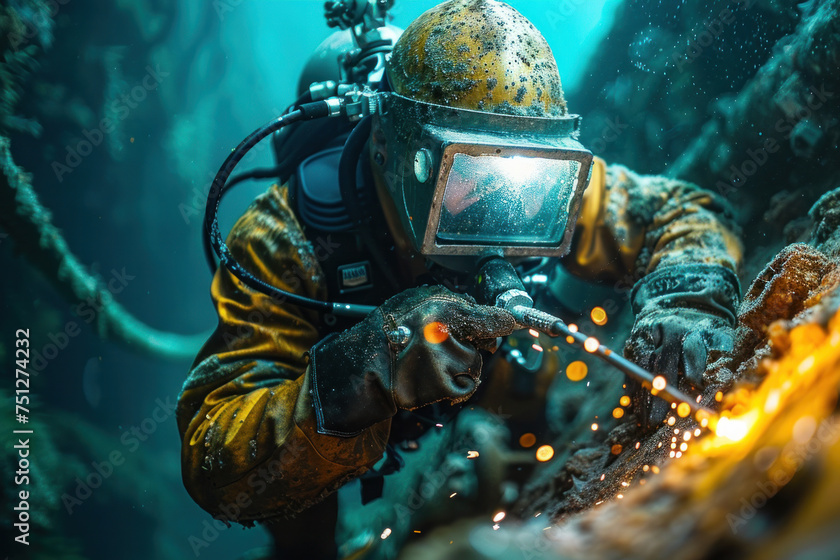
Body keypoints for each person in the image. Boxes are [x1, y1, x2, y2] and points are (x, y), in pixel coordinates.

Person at [176, 0, 742, 557]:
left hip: (496, 398)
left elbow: (680, 213)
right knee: (299, 521)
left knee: (526, 383)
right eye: (470, 175)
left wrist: (684, 300)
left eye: (525, 180)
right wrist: (372, 367)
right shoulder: (285, 239)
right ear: (390, 151)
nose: (503, 207)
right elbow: (213, 457)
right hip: (330, 426)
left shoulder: (543, 183)